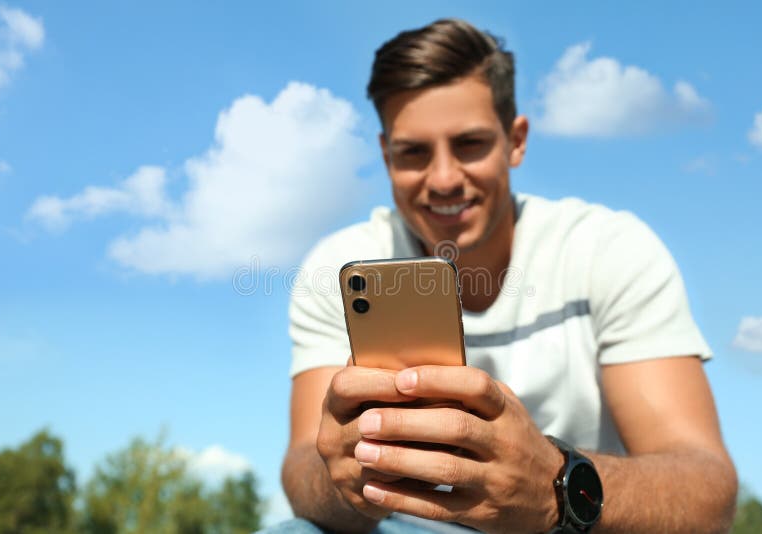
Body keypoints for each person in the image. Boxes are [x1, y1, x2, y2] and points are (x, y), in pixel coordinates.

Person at [269, 18, 737, 534]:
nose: (444, 178)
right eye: (414, 153)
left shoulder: (608, 251)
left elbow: (705, 489)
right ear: (385, 156)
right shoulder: (337, 266)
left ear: (516, 141)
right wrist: (343, 478)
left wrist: (554, 486)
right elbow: (302, 469)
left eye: (469, 144)